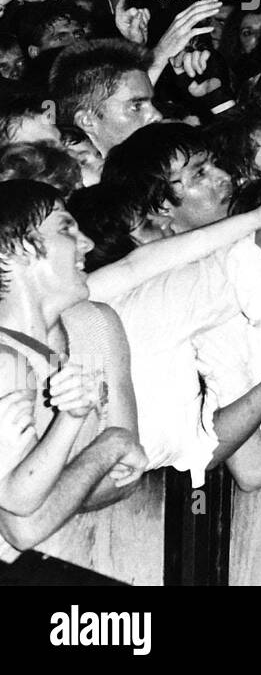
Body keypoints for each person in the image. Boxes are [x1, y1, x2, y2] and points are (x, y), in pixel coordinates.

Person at [0, 181, 146, 555]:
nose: (88, 244)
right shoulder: (4, 360)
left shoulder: (96, 324)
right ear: (15, 248)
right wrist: (107, 448)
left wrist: (64, 487)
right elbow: (25, 525)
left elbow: (129, 474)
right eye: (67, 229)